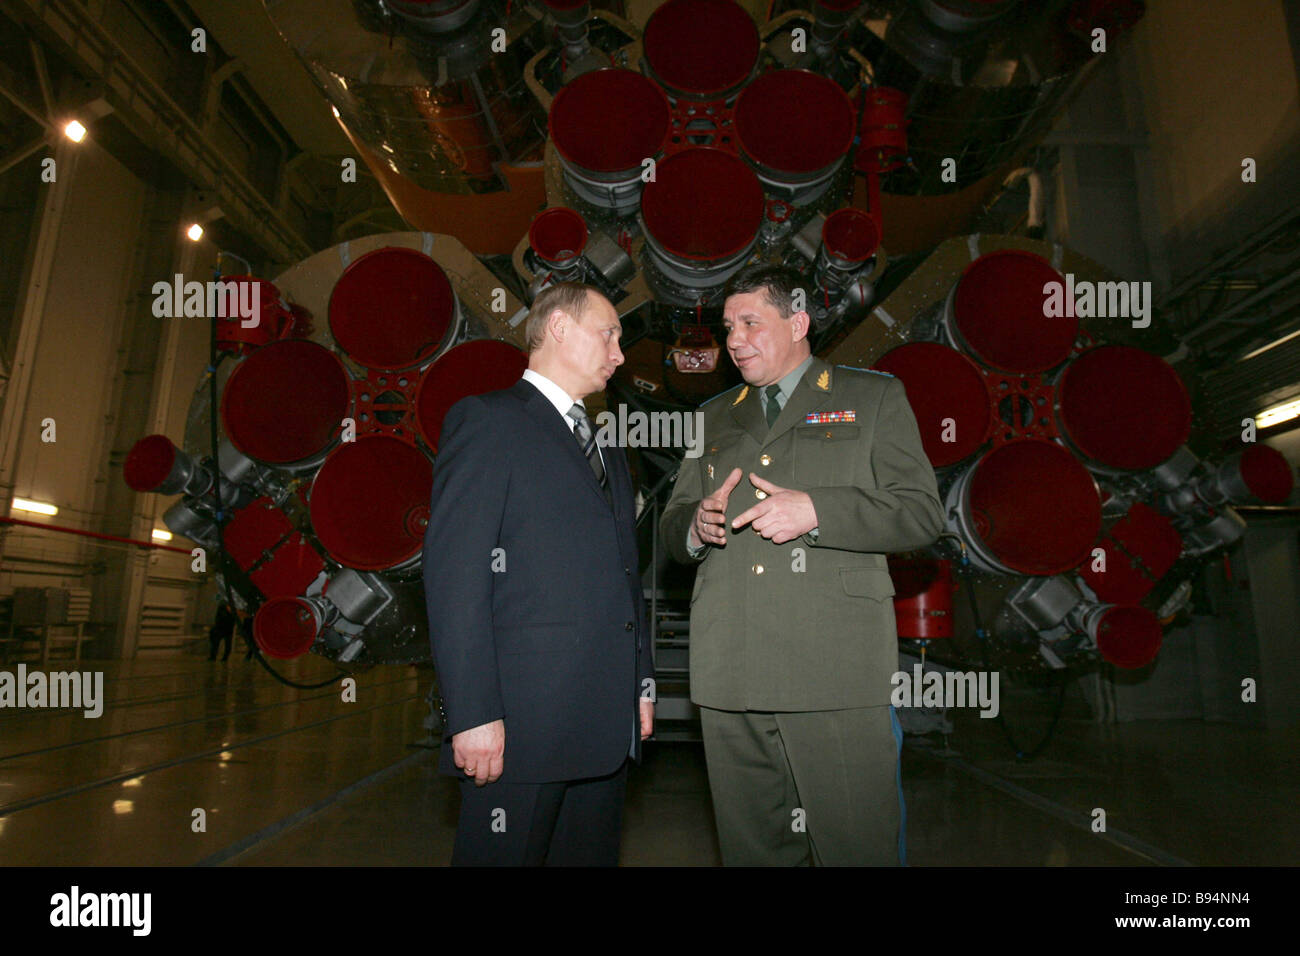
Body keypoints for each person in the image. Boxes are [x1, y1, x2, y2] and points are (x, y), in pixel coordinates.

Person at [660, 263, 944, 865]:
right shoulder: (711, 416)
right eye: (728, 326)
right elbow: (672, 518)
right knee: (753, 852)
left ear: (798, 322)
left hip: (831, 669)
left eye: (750, 323)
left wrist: (818, 509)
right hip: (729, 669)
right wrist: (693, 525)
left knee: (855, 847)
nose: (733, 339)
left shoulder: (871, 397)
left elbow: (921, 514)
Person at [423, 281, 655, 866]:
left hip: (604, 726)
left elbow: (628, 580)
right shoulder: (488, 422)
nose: (619, 353)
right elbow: (456, 580)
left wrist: (640, 685)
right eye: (609, 334)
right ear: (558, 329)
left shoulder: (606, 448)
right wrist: (473, 714)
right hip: (518, 731)